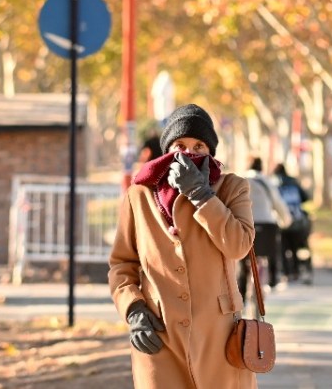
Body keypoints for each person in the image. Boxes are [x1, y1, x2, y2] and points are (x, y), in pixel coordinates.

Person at [109, 104, 258, 388]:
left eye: (198, 146)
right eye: (179, 145)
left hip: (219, 336)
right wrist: (133, 309)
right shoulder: (139, 196)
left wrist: (201, 195)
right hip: (159, 335)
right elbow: (122, 264)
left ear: (210, 151)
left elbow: (239, 245)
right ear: (167, 151)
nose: (189, 154)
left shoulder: (232, 188)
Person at [239, 157, 292, 292]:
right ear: (261, 167)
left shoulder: (240, 181)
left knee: (242, 257)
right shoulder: (267, 183)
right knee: (272, 250)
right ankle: (273, 280)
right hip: (267, 225)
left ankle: (242, 292)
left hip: (245, 225)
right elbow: (278, 205)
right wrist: (286, 222)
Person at [273, 163, 312, 283]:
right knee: (296, 247)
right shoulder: (294, 183)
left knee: (283, 247)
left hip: (283, 221)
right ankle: (297, 270)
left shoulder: (274, 184)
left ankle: (287, 272)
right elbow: (306, 197)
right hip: (298, 221)